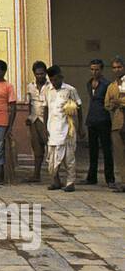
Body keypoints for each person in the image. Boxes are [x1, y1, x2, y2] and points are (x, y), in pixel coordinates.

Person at [46, 66, 83, 193]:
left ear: (61, 77)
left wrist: (80, 127)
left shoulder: (70, 90)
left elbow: (79, 107)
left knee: (69, 158)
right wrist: (46, 127)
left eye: (56, 79)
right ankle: (55, 181)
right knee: (52, 158)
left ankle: (70, 182)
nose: (54, 82)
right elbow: (46, 108)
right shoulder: (48, 90)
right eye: (51, 80)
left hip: (68, 129)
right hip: (52, 128)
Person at [85, 58, 114, 187]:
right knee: (92, 150)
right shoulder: (89, 83)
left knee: (106, 150)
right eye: (92, 69)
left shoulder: (107, 84)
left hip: (103, 119)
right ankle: (92, 177)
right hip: (92, 119)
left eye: (96, 69)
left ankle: (110, 178)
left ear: (101, 70)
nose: (94, 72)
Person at [26, 60, 50, 184]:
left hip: (48, 120)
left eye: (42, 74)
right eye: (37, 74)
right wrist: (29, 117)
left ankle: (55, 176)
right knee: (37, 149)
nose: (40, 76)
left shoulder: (50, 86)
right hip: (34, 120)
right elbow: (30, 103)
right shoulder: (30, 86)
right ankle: (36, 174)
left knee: (51, 148)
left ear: (45, 73)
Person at [103, 57, 125, 193]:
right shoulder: (112, 86)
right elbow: (107, 104)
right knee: (119, 154)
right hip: (117, 123)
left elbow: (117, 101)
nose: (117, 70)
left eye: (119, 67)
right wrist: (116, 103)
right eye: (114, 67)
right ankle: (123, 181)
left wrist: (120, 102)